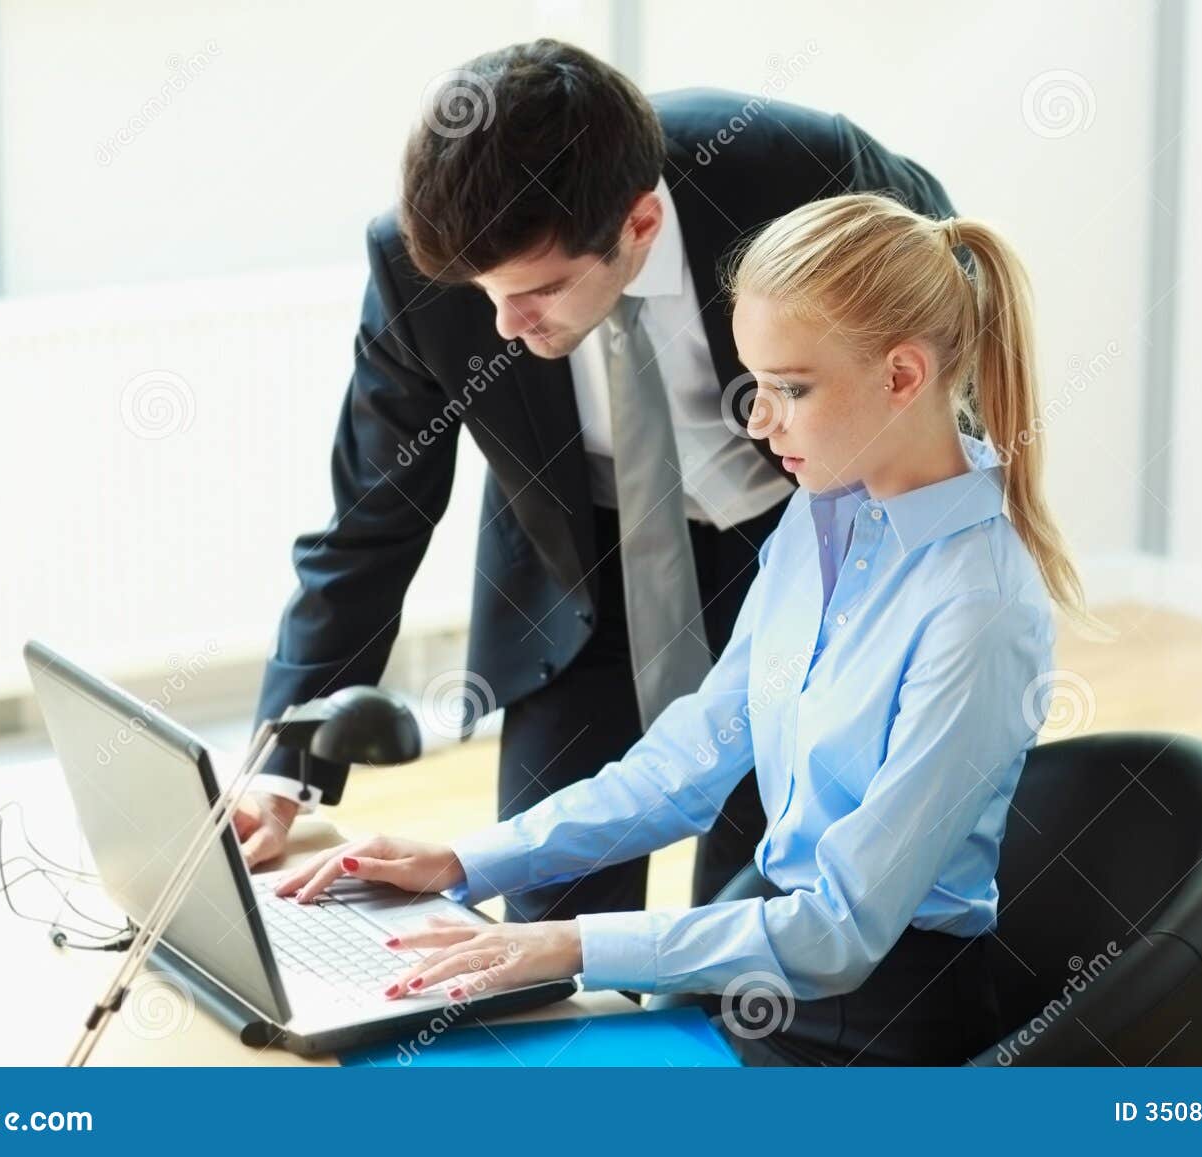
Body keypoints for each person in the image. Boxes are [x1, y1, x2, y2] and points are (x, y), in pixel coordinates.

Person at [275, 192, 1094, 1066]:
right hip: (767, 977)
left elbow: (841, 931)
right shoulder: (824, 519)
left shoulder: (980, 608)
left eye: (790, 387)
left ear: (901, 376)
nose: (756, 418)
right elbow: (686, 764)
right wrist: (464, 860)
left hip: (879, 1025)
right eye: (756, 381)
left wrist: (573, 945)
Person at [235, 38, 958, 924]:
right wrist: (283, 765)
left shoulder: (792, 169)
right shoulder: (424, 267)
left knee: (759, 902)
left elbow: (949, 314)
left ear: (640, 224)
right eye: (483, 291)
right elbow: (371, 516)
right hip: (578, 579)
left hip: (793, 548)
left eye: (538, 290)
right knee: (541, 917)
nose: (503, 324)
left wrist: (932, 569)